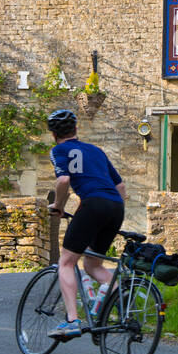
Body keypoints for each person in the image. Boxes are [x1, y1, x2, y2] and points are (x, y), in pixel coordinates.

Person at [45, 108, 126, 341]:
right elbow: (120, 187)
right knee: (93, 265)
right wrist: (113, 213)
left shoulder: (59, 149)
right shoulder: (96, 151)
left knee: (67, 262)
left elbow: (63, 180)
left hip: (92, 204)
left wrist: (59, 206)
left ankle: (72, 320)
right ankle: (119, 302)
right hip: (115, 207)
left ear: (53, 134)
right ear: (76, 129)